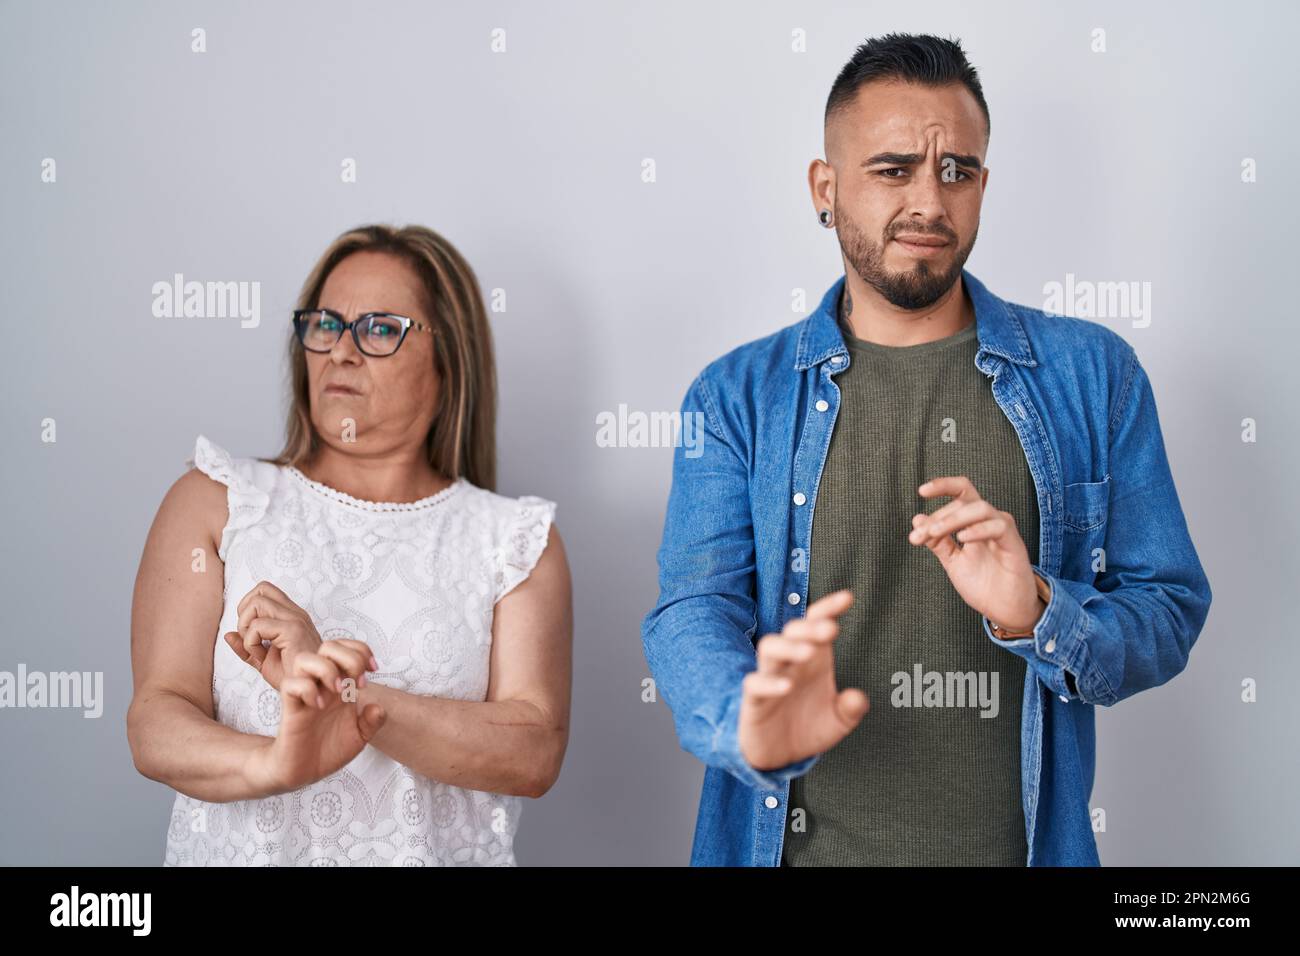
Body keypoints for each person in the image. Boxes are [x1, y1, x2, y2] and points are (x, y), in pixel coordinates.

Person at [640, 33, 1212, 866]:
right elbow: (695, 605)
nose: (931, 204)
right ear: (824, 189)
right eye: (893, 169)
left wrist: (1036, 610)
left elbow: (1168, 606)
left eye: (958, 172)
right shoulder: (735, 397)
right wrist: (747, 720)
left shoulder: (1095, 376)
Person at [127, 224, 572, 865]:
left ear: (451, 360)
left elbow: (532, 751)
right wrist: (279, 762)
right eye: (326, 325)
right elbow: (155, 724)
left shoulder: (517, 541)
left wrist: (349, 699)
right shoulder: (216, 499)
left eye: (380, 329)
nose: (341, 351)